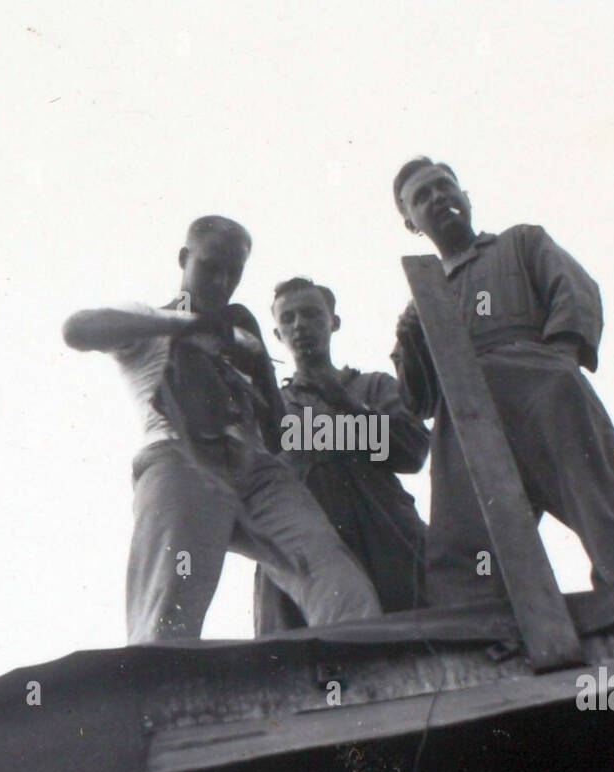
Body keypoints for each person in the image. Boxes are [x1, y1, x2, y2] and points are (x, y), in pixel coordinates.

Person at [63, 215, 381, 643]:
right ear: (184, 259)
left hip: (258, 472)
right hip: (182, 462)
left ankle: (365, 662)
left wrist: (259, 370)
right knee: (173, 597)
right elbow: (77, 330)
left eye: (234, 272)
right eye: (211, 267)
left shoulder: (238, 335)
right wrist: (183, 325)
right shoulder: (148, 321)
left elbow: (280, 434)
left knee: (327, 567)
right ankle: (157, 699)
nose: (222, 281)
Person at [390, 158, 614, 604]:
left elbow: (573, 289)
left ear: (466, 196)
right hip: (464, 415)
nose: (438, 198)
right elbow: (416, 399)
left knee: (596, 501)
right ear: (411, 223)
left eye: (445, 187)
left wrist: (559, 359)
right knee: (466, 544)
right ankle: (486, 643)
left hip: (538, 383)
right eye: (422, 197)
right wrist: (409, 342)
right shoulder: (422, 295)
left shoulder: (520, 241)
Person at [253, 277, 429, 633]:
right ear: (276, 336)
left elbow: (413, 451)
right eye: (288, 319)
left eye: (311, 314)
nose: (299, 325)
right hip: (304, 542)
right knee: (302, 657)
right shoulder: (271, 406)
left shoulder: (373, 386)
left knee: (417, 636)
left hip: (383, 532)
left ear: (333, 322)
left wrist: (346, 403)